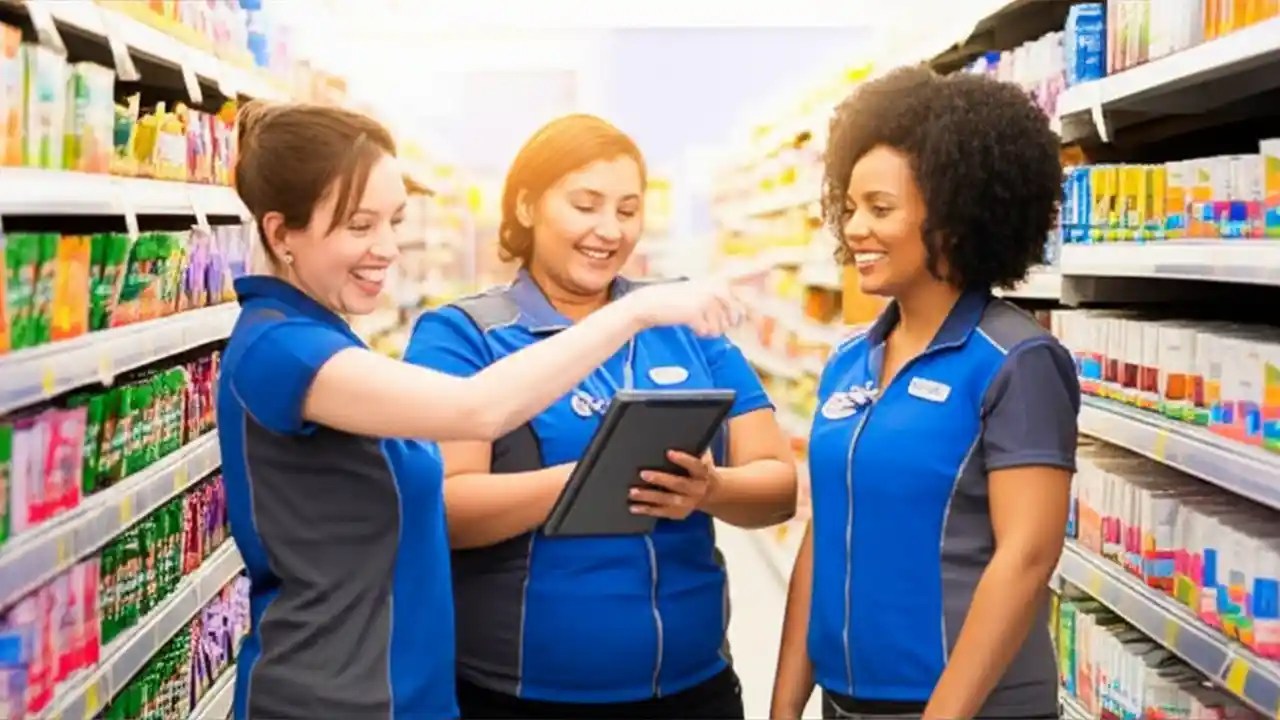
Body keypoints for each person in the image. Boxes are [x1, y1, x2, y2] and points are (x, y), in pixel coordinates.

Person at [216, 102, 743, 720]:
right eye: (360, 225)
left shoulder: (328, 337)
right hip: (329, 697)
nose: (387, 248)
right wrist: (635, 312)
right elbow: (478, 410)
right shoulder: (283, 349)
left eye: (394, 221)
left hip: (405, 693)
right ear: (281, 234)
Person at [403, 113, 798, 720]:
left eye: (628, 209)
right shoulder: (463, 335)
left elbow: (777, 486)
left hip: (696, 689)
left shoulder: (686, 323)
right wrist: (591, 481)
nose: (608, 231)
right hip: (520, 697)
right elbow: (446, 510)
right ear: (529, 206)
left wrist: (711, 488)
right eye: (585, 205)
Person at [770, 67, 1079, 720]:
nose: (855, 229)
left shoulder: (1016, 361)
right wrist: (784, 706)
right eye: (849, 207)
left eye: (880, 209)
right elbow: (825, 532)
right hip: (846, 702)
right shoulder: (850, 360)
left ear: (955, 218)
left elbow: (1027, 557)